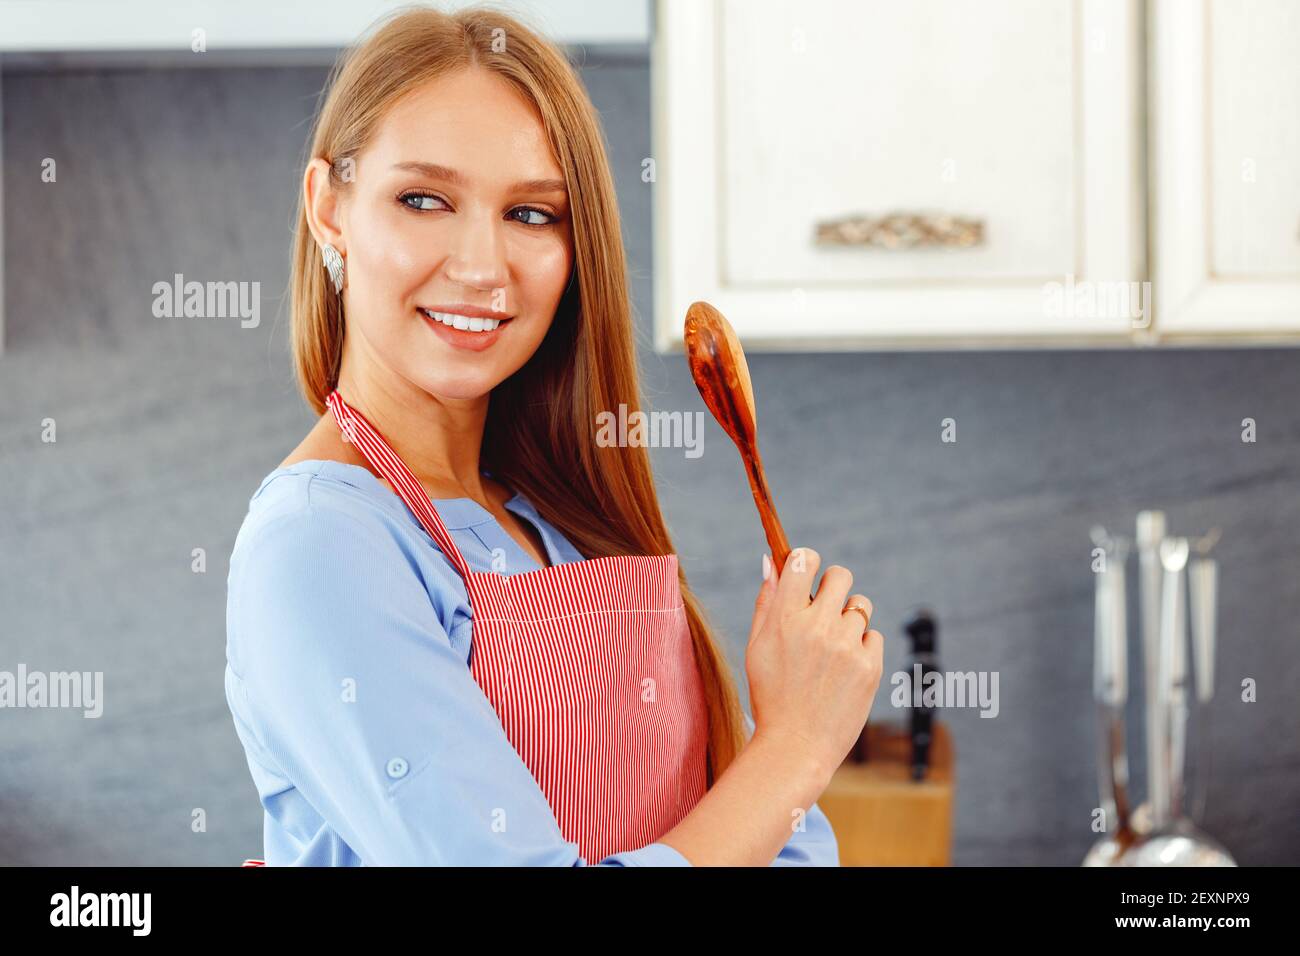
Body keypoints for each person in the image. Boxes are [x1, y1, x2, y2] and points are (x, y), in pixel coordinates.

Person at [223, 4, 884, 866]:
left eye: (532, 215)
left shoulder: (554, 519)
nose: (480, 265)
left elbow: (782, 851)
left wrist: (783, 760)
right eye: (423, 199)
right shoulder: (319, 543)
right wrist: (795, 748)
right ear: (329, 209)